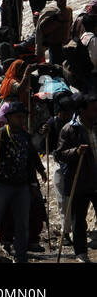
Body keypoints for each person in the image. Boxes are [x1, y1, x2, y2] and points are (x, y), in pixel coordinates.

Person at [0, 101, 44, 263]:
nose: (21, 120)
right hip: (1, 184)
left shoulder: (25, 136)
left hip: (21, 185)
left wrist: (41, 171)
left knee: (22, 223)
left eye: (23, 117)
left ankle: (21, 256)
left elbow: (32, 157)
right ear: (9, 118)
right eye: (18, 117)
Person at [55, 94, 97, 262]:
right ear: (82, 110)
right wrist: (76, 152)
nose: (96, 111)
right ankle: (81, 253)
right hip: (80, 180)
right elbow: (59, 155)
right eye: (94, 108)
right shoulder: (70, 129)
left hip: (96, 178)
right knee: (79, 219)